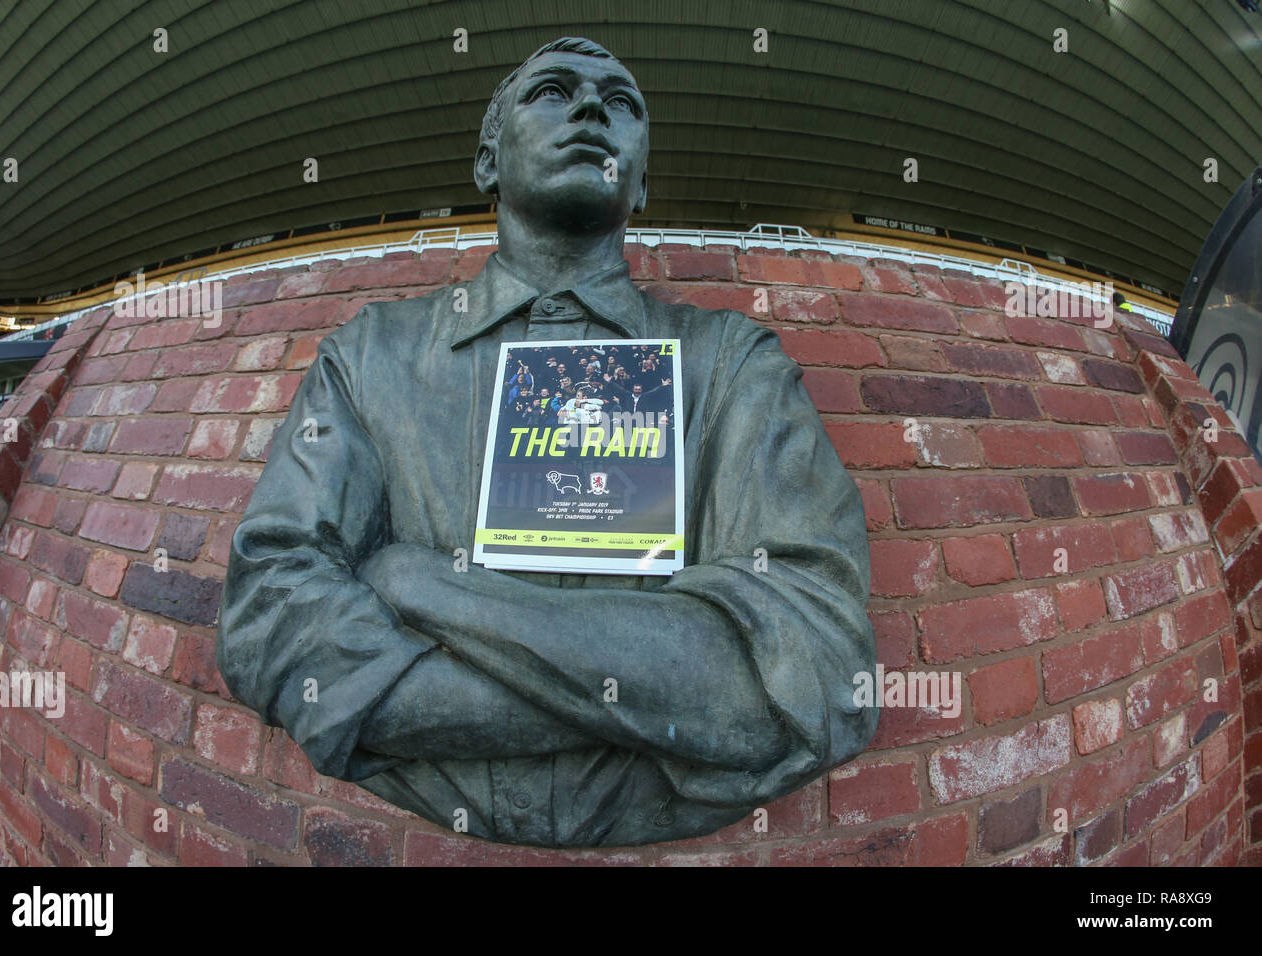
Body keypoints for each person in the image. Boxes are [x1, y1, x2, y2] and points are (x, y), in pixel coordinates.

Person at [216, 36, 876, 848]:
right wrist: (649, 698)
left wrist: (419, 586)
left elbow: (814, 669)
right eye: (555, 92)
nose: (594, 108)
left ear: (642, 181)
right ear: (488, 162)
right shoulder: (369, 357)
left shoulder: (735, 365)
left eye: (622, 103)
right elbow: (272, 620)